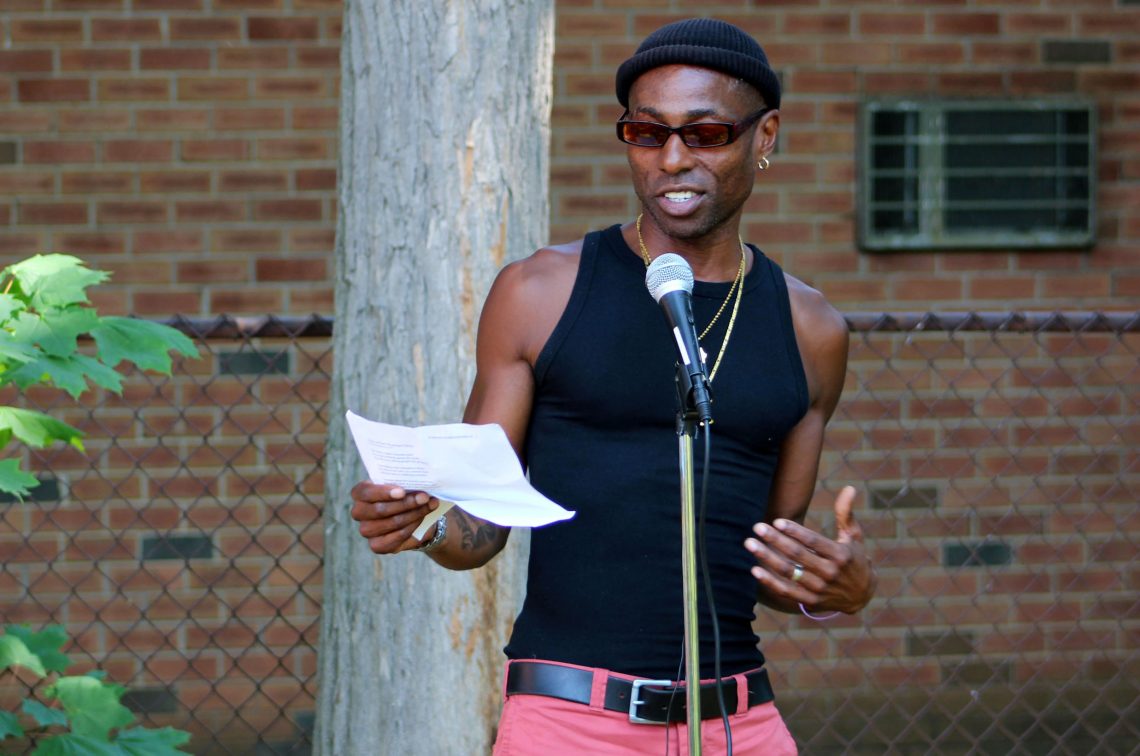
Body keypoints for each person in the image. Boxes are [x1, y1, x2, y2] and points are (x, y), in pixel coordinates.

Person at [350, 17, 876, 754]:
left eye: (707, 134)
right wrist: (426, 525)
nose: (671, 159)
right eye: (646, 133)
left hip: (737, 723)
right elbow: (482, 525)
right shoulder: (539, 292)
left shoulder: (812, 331)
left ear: (765, 138)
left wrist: (839, 589)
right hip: (568, 722)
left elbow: (768, 564)